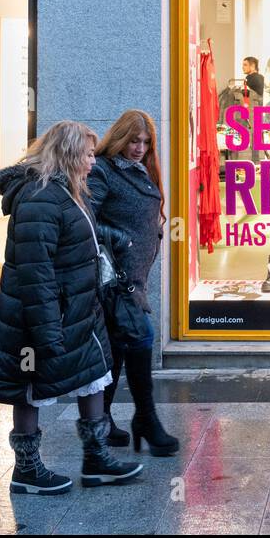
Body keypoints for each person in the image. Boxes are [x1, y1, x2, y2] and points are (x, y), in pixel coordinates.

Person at [0, 120, 143, 494]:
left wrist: (112, 240)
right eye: (89, 154)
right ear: (71, 154)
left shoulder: (69, 191)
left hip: (77, 310)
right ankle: (26, 471)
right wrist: (46, 330)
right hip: (43, 316)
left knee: (93, 375)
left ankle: (96, 459)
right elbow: (34, 269)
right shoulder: (40, 197)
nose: (94, 161)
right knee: (30, 387)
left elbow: (76, 238)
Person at [88, 110, 178, 456]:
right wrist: (120, 239)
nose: (139, 148)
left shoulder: (142, 169)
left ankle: (104, 418)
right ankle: (145, 418)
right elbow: (85, 219)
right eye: (133, 141)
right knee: (141, 335)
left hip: (135, 276)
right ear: (120, 138)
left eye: (145, 142)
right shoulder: (104, 171)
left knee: (118, 345)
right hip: (115, 280)